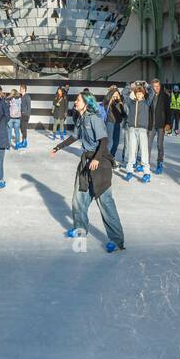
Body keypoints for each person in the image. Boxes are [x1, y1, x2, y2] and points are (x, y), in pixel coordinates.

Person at [51, 92, 125, 252]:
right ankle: (80, 230)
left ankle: (117, 240)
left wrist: (97, 159)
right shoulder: (81, 118)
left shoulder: (94, 118)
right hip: (86, 162)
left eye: (77, 100)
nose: (75, 102)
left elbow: (104, 141)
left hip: (100, 164)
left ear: (86, 103)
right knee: (79, 199)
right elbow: (75, 137)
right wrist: (58, 147)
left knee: (105, 202)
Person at [120, 80, 152, 181]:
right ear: (134, 94)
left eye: (140, 93)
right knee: (131, 150)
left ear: (143, 94)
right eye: (137, 93)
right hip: (132, 129)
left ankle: (146, 172)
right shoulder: (131, 102)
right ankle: (129, 171)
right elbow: (124, 93)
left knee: (144, 151)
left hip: (142, 129)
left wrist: (146, 85)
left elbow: (151, 93)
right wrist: (131, 86)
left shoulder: (146, 103)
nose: (138, 95)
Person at [147, 77, 171, 174]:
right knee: (148, 145)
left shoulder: (165, 96)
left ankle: (160, 163)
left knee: (159, 145)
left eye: (157, 86)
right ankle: (146, 163)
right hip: (151, 124)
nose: (156, 88)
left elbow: (168, 111)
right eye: (154, 87)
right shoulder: (149, 96)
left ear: (160, 86)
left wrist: (168, 123)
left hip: (161, 124)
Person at [18, 84, 31, 149]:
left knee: (24, 129)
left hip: (25, 115)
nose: (19, 90)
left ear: (24, 89)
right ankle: (23, 140)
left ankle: (25, 142)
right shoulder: (21, 96)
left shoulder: (27, 96)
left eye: (20, 89)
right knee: (21, 128)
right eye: (20, 88)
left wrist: (27, 116)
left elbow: (29, 107)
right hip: (21, 115)